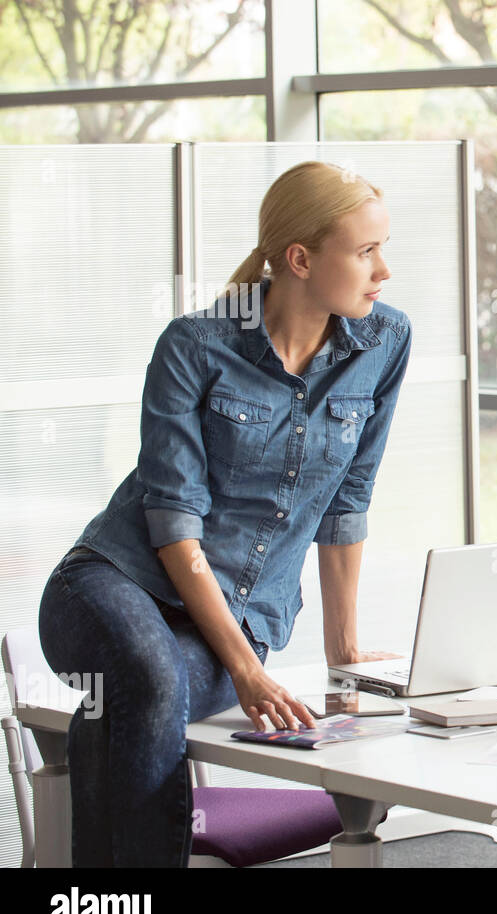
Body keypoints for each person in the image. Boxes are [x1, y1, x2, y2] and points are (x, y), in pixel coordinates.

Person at [37, 161, 412, 867]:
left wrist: (345, 651)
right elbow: (174, 526)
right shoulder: (196, 345)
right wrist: (246, 670)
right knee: (145, 679)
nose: (384, 269)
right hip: (112, 585)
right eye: (366, 251)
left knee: (122, 703)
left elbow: (348, 499)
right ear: (300, 259)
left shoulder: (385, 341)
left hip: (237, 619)